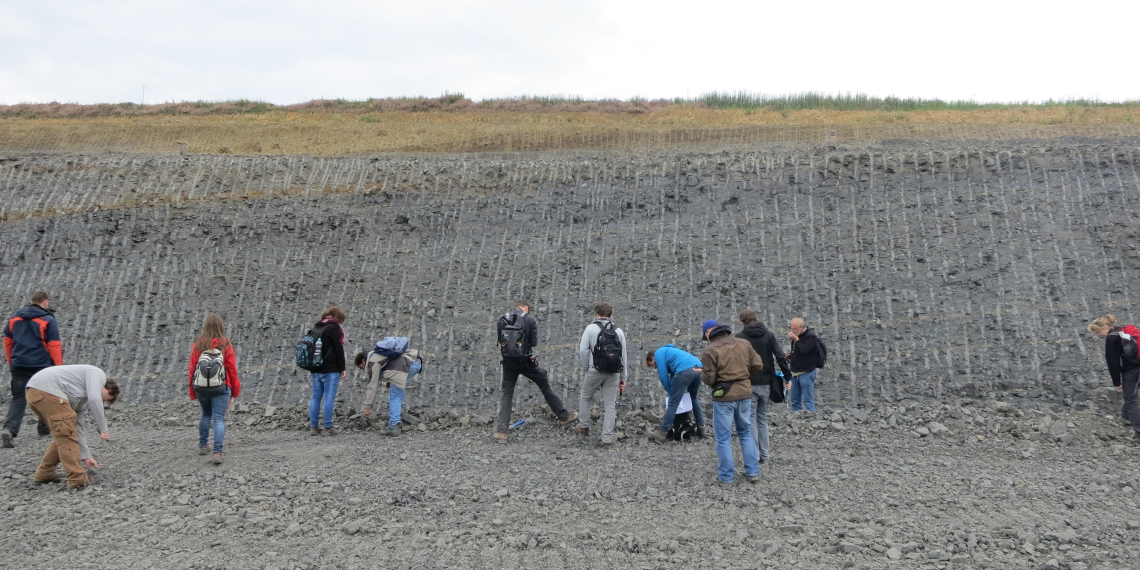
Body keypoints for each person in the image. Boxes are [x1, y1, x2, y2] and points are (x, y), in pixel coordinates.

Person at [494, 299, 577, 441]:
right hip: (526, 362)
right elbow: (534, 342)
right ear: (527, 307)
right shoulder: (530, 319)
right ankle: (563, 416)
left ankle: (502, 431)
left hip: (508, 363)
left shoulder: (502, 319)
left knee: (507, 394)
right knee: (544, 384)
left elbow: (500, 341)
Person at [24, 365, 118, 488]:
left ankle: (44, 474)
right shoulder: (97, 373)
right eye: (106, 398)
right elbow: (95, 399)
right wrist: (103, 429)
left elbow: (77, 428)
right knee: (66, 433)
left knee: (63, 432)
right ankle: (77, 480)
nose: (103, 401)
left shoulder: (80, 397)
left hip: (34, 392)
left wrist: (86, 457)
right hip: (48, 391)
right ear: (108, 387)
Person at [699, 319, 763, 486]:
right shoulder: (744, 343)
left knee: (723, 438)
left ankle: (726, 477)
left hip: (724, 397)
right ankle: (752, 472)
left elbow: (709, 378)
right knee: (745, 433)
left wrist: (702, 374)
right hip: (745, 392)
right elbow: (758, 365)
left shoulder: (710, 350)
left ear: (708, 333)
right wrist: (741, 373)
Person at [1, 291, 60, 447]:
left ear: (32, 301)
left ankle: (9, 429)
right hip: (41, 366)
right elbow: (53, 344)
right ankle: (43, 429)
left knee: (19, 399)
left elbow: (7, 341)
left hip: (19, 364)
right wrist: (58, 367)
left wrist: (11, 361)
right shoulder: (48, 320)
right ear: (45, 302)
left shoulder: (14, 319)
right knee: (45, 396)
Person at [736, 309, 792, 463]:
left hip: (748, 384)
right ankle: (765, 455)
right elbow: (780, 357)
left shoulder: (740, 338)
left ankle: (753, 455)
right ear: (756, 319)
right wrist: (788, 377)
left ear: (742, 322)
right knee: (762, 419)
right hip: (767, 383)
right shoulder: (769, 335)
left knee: (751, 419)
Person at [188, 314, 241, 464]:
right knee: (219, 418)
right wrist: (235, 391)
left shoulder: (197, 345)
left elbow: (192, 370)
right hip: (222, 387)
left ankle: (203, 445)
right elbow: (232, 370)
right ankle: (217, 452)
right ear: (221, 327)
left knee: (205, 414)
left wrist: (192, 391)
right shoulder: (226, 345)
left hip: (201, 387)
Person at [575, 303, 628, 447]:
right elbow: (623, 356)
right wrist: (623, 377)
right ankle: (607, 439)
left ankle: (584, 426)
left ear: (597, 314)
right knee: (610, 405)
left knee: (586, 398)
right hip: (613, 373)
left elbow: (583, 351)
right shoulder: (619, 332)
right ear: (611, 315)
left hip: (594, 370)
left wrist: (588, 366)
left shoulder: (590, 328)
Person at [1088, 315, 1140, 440]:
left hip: (1132, 370)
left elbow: (1113, 363)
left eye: (1098, 331)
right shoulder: (1123, 331)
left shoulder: (1111, 338)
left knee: (1131, 400)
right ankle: (1126, 418)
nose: (1099, 335)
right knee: (1131, 395)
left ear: (1106, 327)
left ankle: (1139, 432)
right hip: (1137, 364)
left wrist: (1116, 382)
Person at [355, 341, 422, 437]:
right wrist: (389, 380)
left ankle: (394, 425)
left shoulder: (371, 363)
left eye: (362, 368)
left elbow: (372, 386)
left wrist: (368, 407)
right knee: (398, 394)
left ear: (362, 361)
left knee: (394, 397)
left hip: (406, 366)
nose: (364, 370)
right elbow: (390, 363)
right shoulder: (376, 354)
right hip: (414, 362)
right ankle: (397, 421)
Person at [646, 345, 707, 442]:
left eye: (654, 365)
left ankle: (662, 433)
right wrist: (671, 394)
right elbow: (673, 380)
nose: (655, 367)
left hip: (684, 370)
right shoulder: (672, 355)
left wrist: (671, 396)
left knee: (673, 403)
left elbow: (663, 377)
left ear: (653, 357)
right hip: (698, 367)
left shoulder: (658, 353)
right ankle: (701, 429)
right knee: (693, 397)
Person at [309, 307, 347, 436]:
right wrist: (342, 368)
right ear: (338, 318)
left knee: (315, 397)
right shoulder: (334, 328)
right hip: (330, 369)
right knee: (329, 398)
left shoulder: (317, 327)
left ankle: (313, 427)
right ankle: (328, 428)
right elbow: (338, 349)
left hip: (315, 368)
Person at [785, 317, 821, 413]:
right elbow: (798, 353)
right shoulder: (797, 336)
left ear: (802, 327)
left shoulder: (810, 336)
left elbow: (804, 350)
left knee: (808, 400)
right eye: (792, 329)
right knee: (795, 400)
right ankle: (797, 421)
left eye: (795, 329)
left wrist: (796, 339)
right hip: (794, 373)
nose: (793, 331)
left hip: (806, 372)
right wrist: (789, 355)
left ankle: (811, 420)